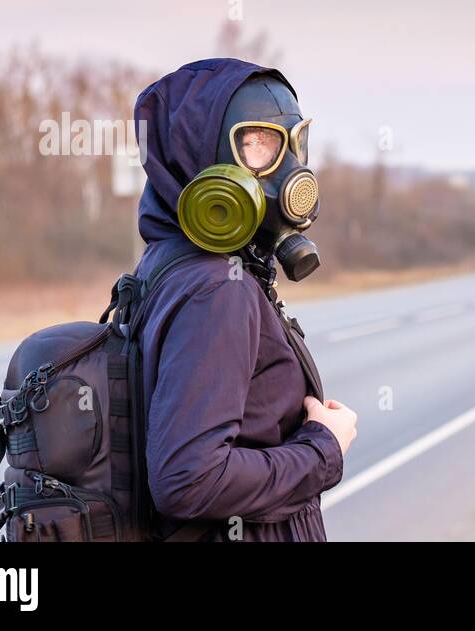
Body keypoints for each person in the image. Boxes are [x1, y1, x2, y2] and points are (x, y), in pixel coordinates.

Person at [130, 58, 357, 541]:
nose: (293, 172)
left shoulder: (172, 264)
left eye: (294, 142)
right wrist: (324, 447)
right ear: (200, 159)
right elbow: (188, 479)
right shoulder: (217, 287)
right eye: (256, 145)